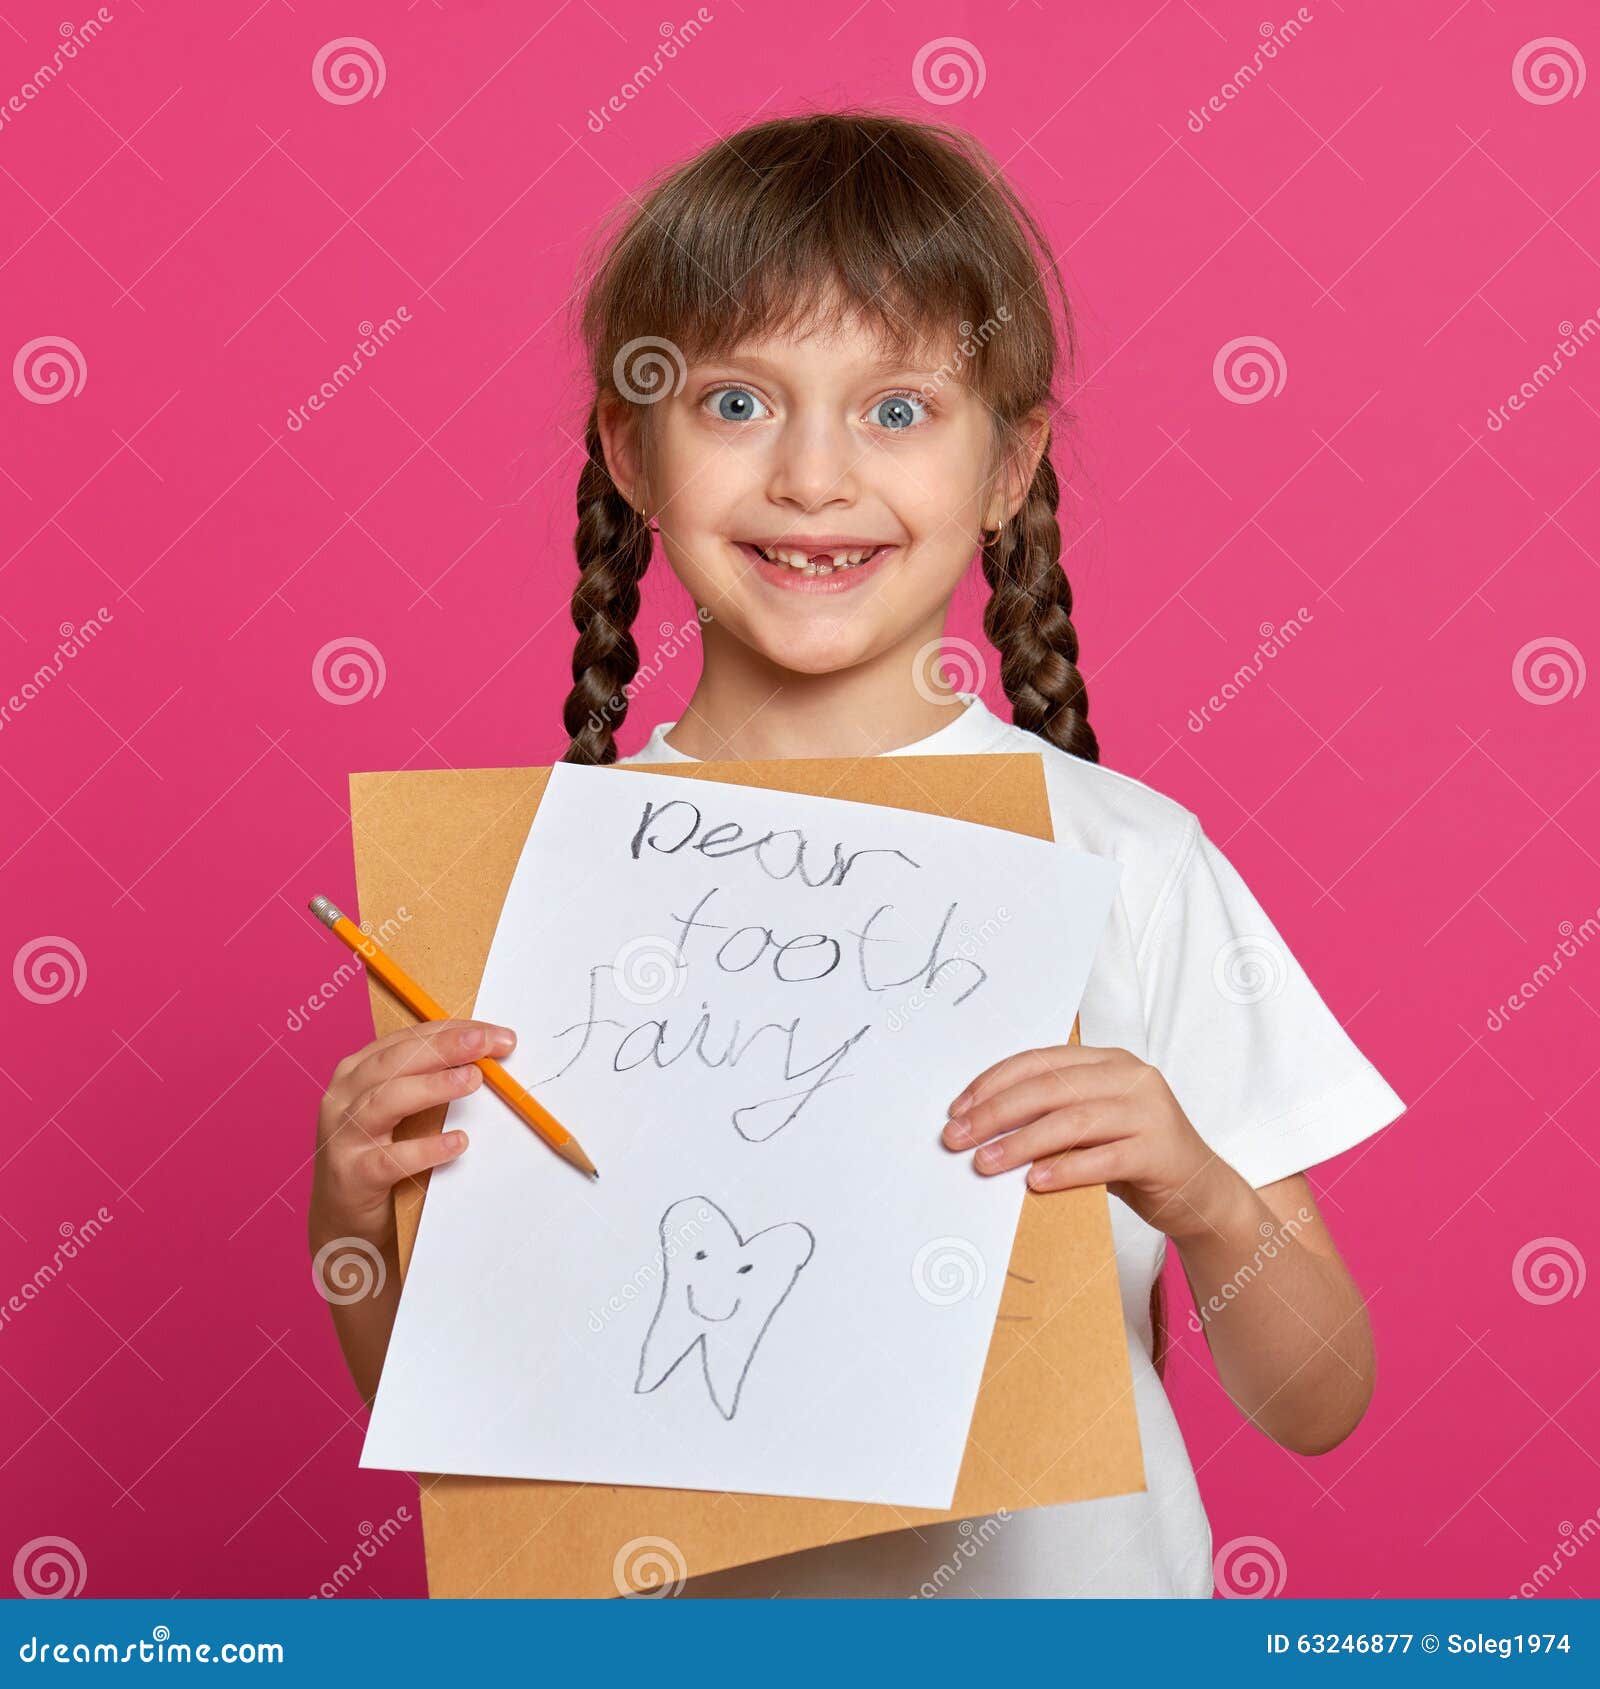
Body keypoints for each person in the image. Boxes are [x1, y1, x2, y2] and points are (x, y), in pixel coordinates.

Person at [309, 109, 1406, 1597]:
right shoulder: (533, 896)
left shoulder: (1128, 861)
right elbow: (461, 1438)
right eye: (737, 405)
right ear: (632, 451)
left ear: (1008, 462)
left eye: (897, 411)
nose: (815, 478)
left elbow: (1315, 1402)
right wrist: (351, 1205)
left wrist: (1205, 1194)